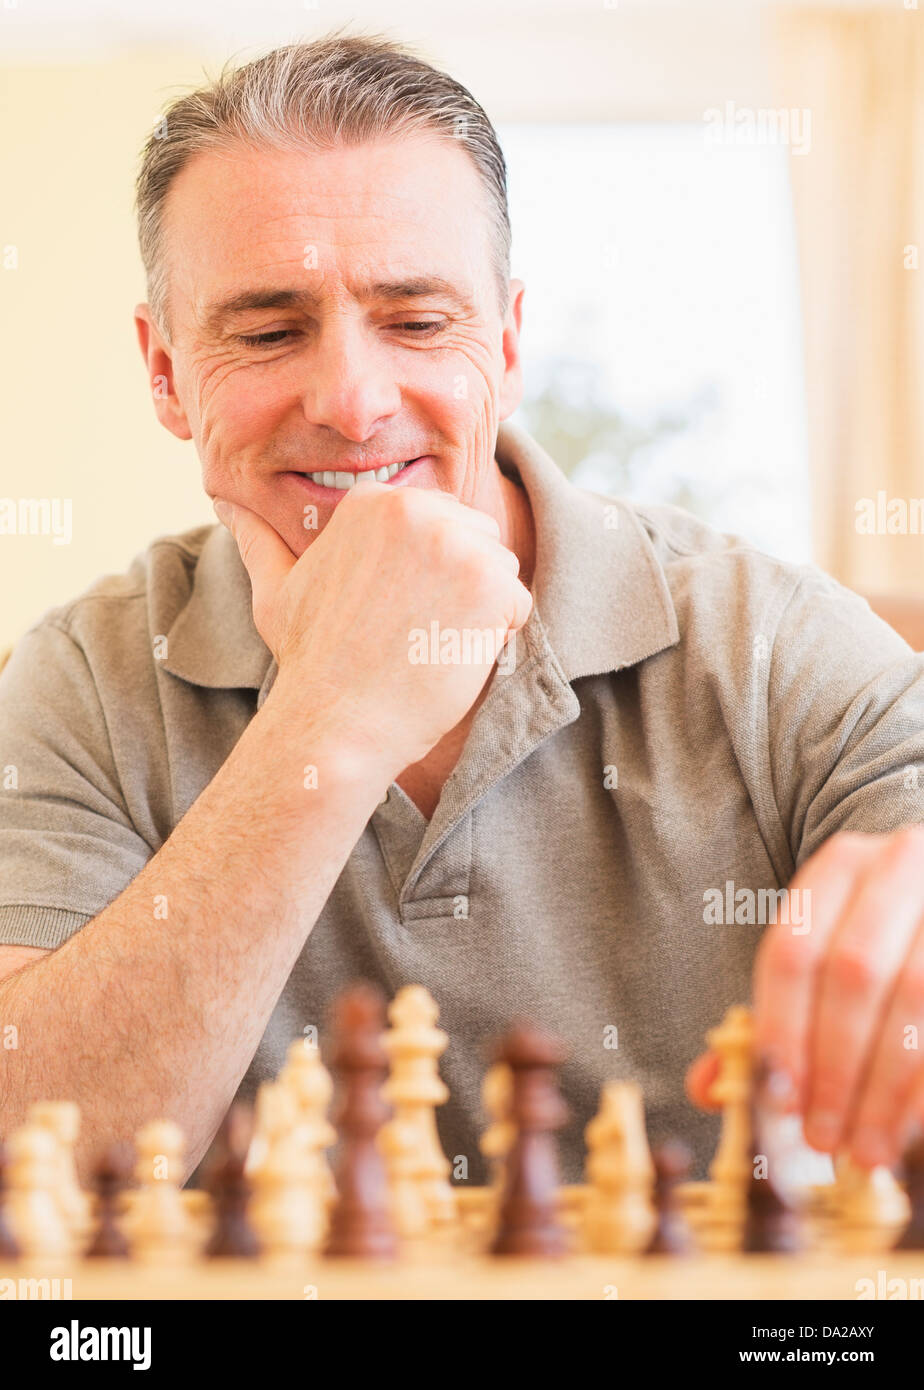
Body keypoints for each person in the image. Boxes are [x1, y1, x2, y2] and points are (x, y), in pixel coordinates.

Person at [1, 33, 923, 1185]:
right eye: (269, 328)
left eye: (420, 320)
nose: (351, 399)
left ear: (512, 339)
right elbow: (23, 1150)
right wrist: (329, 718)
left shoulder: (773, 642)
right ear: (163, 370)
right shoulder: (77, 678)